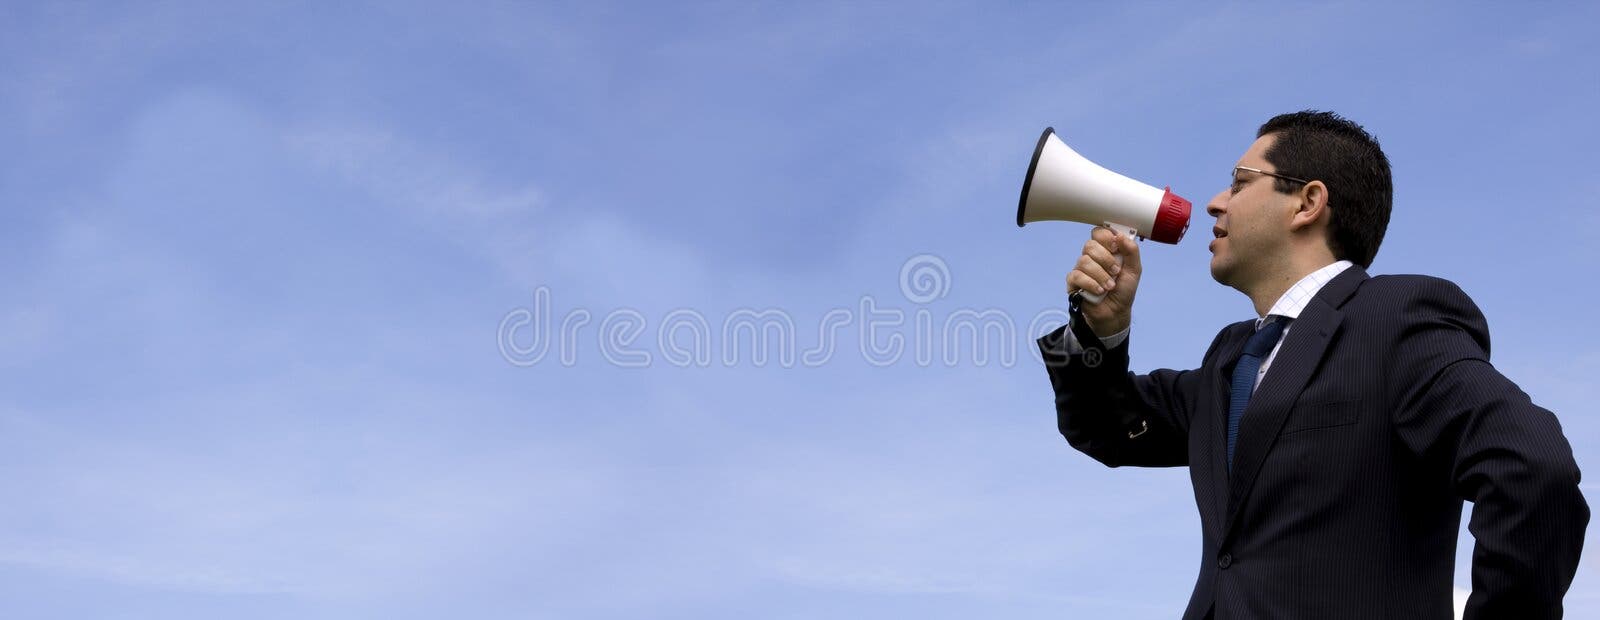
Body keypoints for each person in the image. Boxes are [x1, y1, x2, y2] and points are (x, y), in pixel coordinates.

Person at [1035, 110, 1588, 619]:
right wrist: (1101, 332)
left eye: (1240, 182)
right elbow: (1108, 429)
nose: (1214, 202)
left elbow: (1531, 469)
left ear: (1307, 203)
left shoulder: (1396, 320)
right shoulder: (1232, 357)